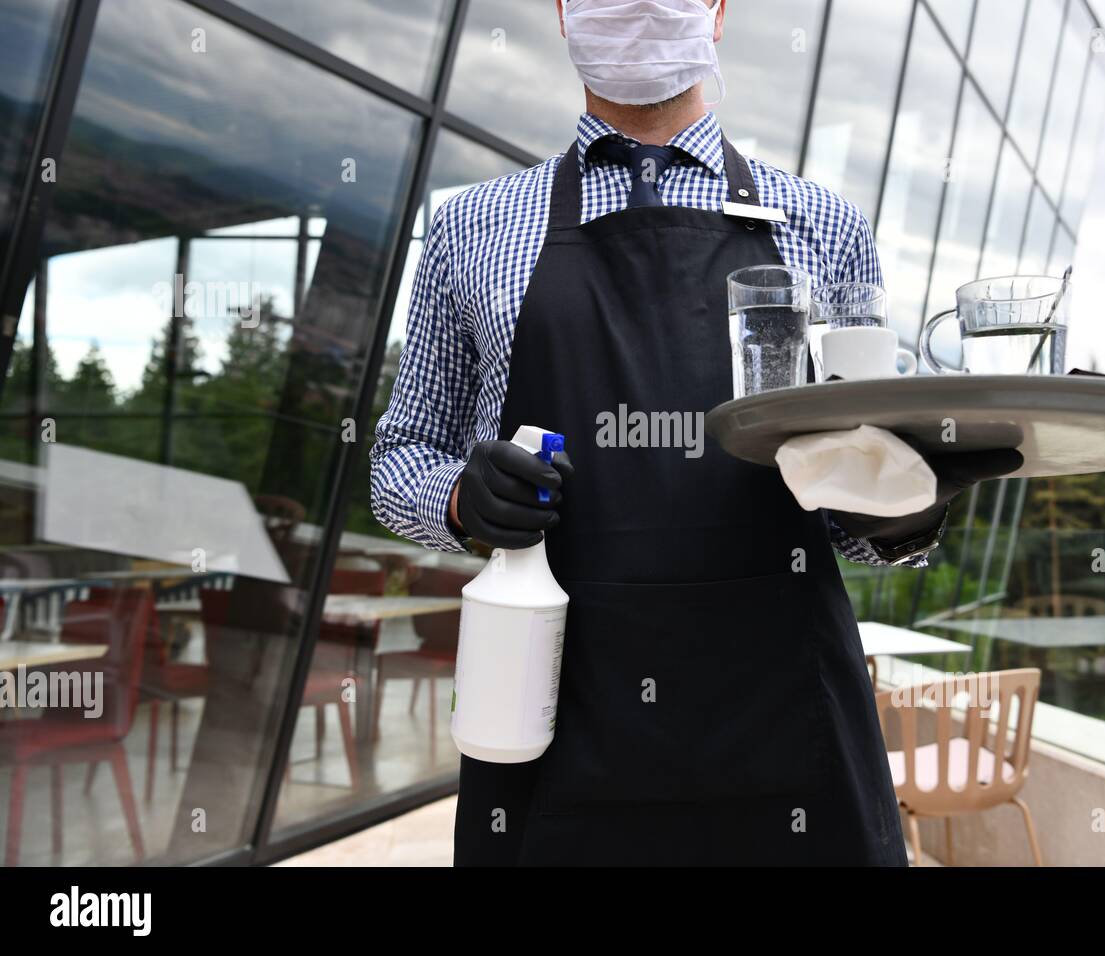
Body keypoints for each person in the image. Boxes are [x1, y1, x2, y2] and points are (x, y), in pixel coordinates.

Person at [371, 0, 1021, 866]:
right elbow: (399, 454)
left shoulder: (823, 226)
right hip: (554, 723)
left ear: (716, 9)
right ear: (564, 10)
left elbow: (852, 501)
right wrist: (457, 496)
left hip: (785, 730)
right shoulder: (470, 227)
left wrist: (899, 507)